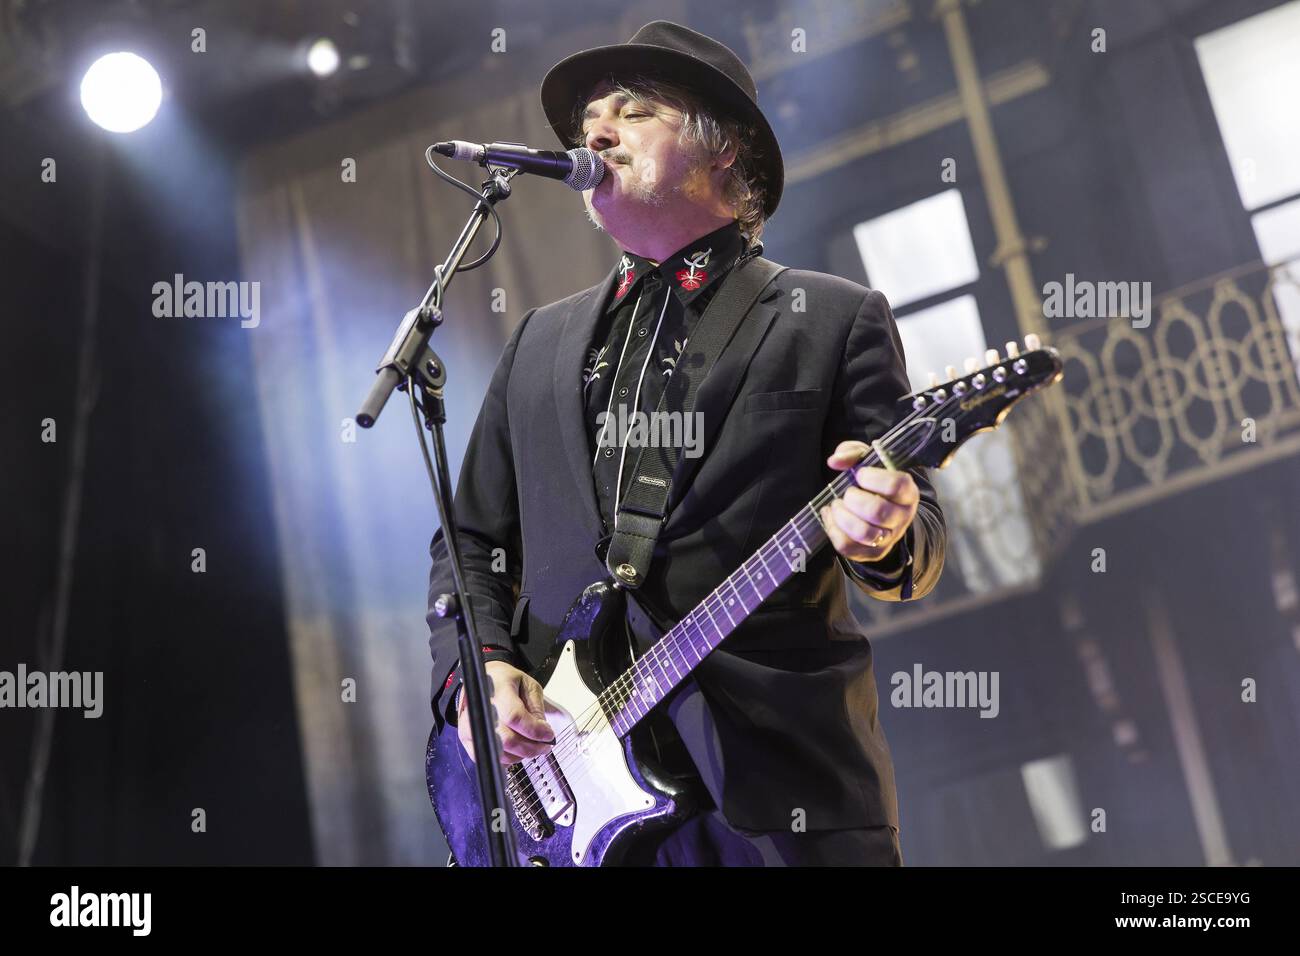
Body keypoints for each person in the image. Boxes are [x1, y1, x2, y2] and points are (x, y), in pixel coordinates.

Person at [427, 20, 946, 866]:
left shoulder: (832, 319)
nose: (595, 133)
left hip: (776, 794)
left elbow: (918, 538)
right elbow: (469, 541)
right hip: (578, 803)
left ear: (725, 148)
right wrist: (478, 670)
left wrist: (887, 531)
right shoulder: (538, 344)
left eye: (632, 112)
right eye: (588, 121)